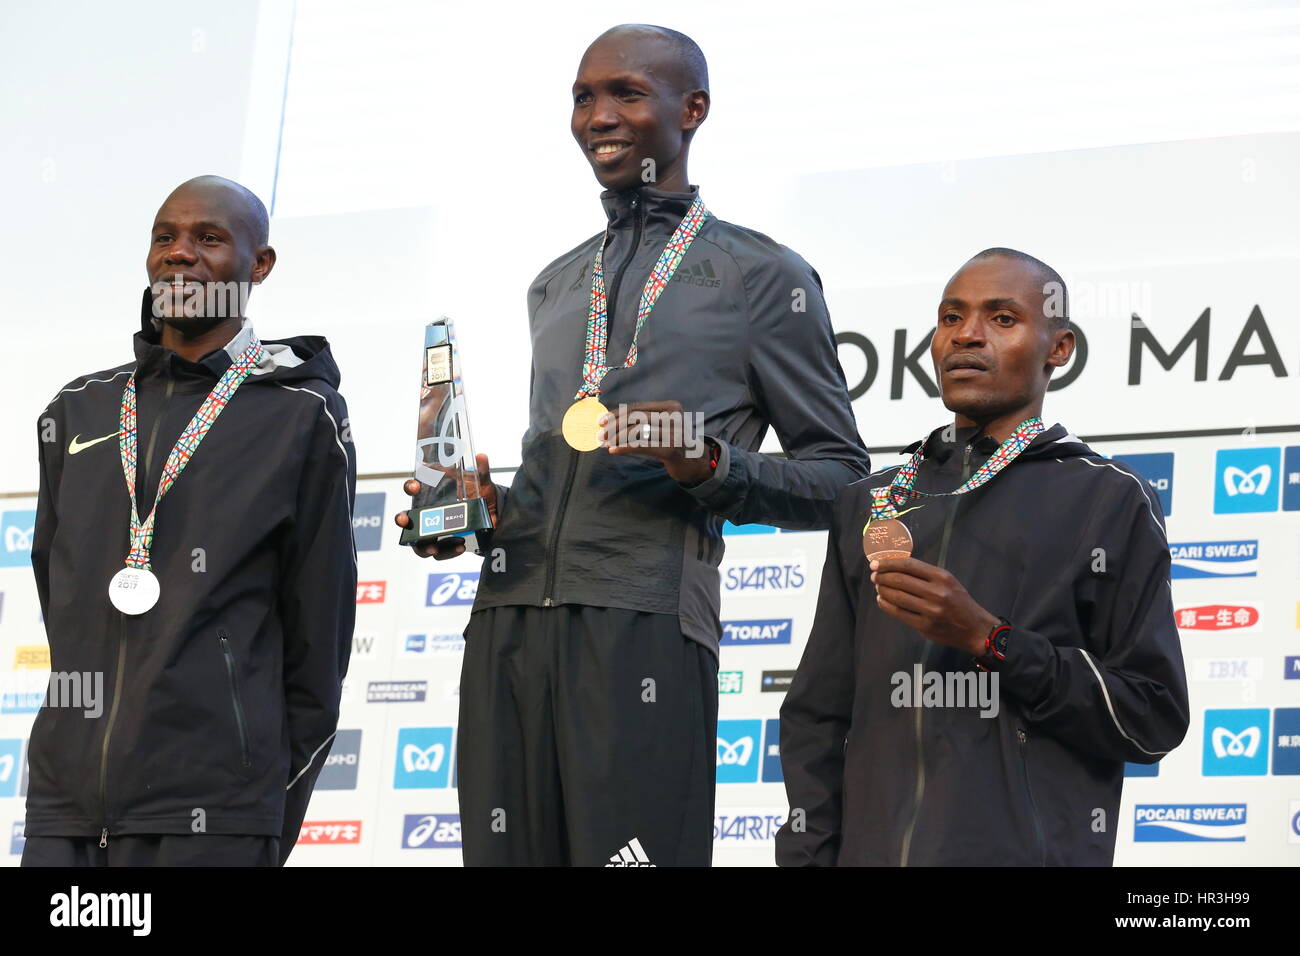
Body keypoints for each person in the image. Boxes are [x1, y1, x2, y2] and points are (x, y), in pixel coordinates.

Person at [396, 24, 871, 866]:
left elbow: (842, 482)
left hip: (642, 625)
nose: (598, 115)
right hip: (505, 623)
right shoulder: (554, 280)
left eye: (625, 93)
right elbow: (557, 468)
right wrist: (480, 513)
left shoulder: (763, 277)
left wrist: (708, 464)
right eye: (583, 97)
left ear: (693, 110)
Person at [776, 248, 1190, 866]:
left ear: (1060, 348)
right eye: (950, 317)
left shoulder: (1106, 499)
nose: (966, 335)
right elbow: (818, 712)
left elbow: (1151, 715)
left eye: (1002, 318)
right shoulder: (871, 502)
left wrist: (993, 641)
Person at [23, 175, 356, 867]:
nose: (180, 254)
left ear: (258, 265)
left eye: (208, 239)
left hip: (215, 815)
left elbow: (317, 642)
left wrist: (259, 809)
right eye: (165, 238)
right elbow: (61, 600)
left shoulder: (299, 415)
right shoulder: (77, 410)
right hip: (67, 810)